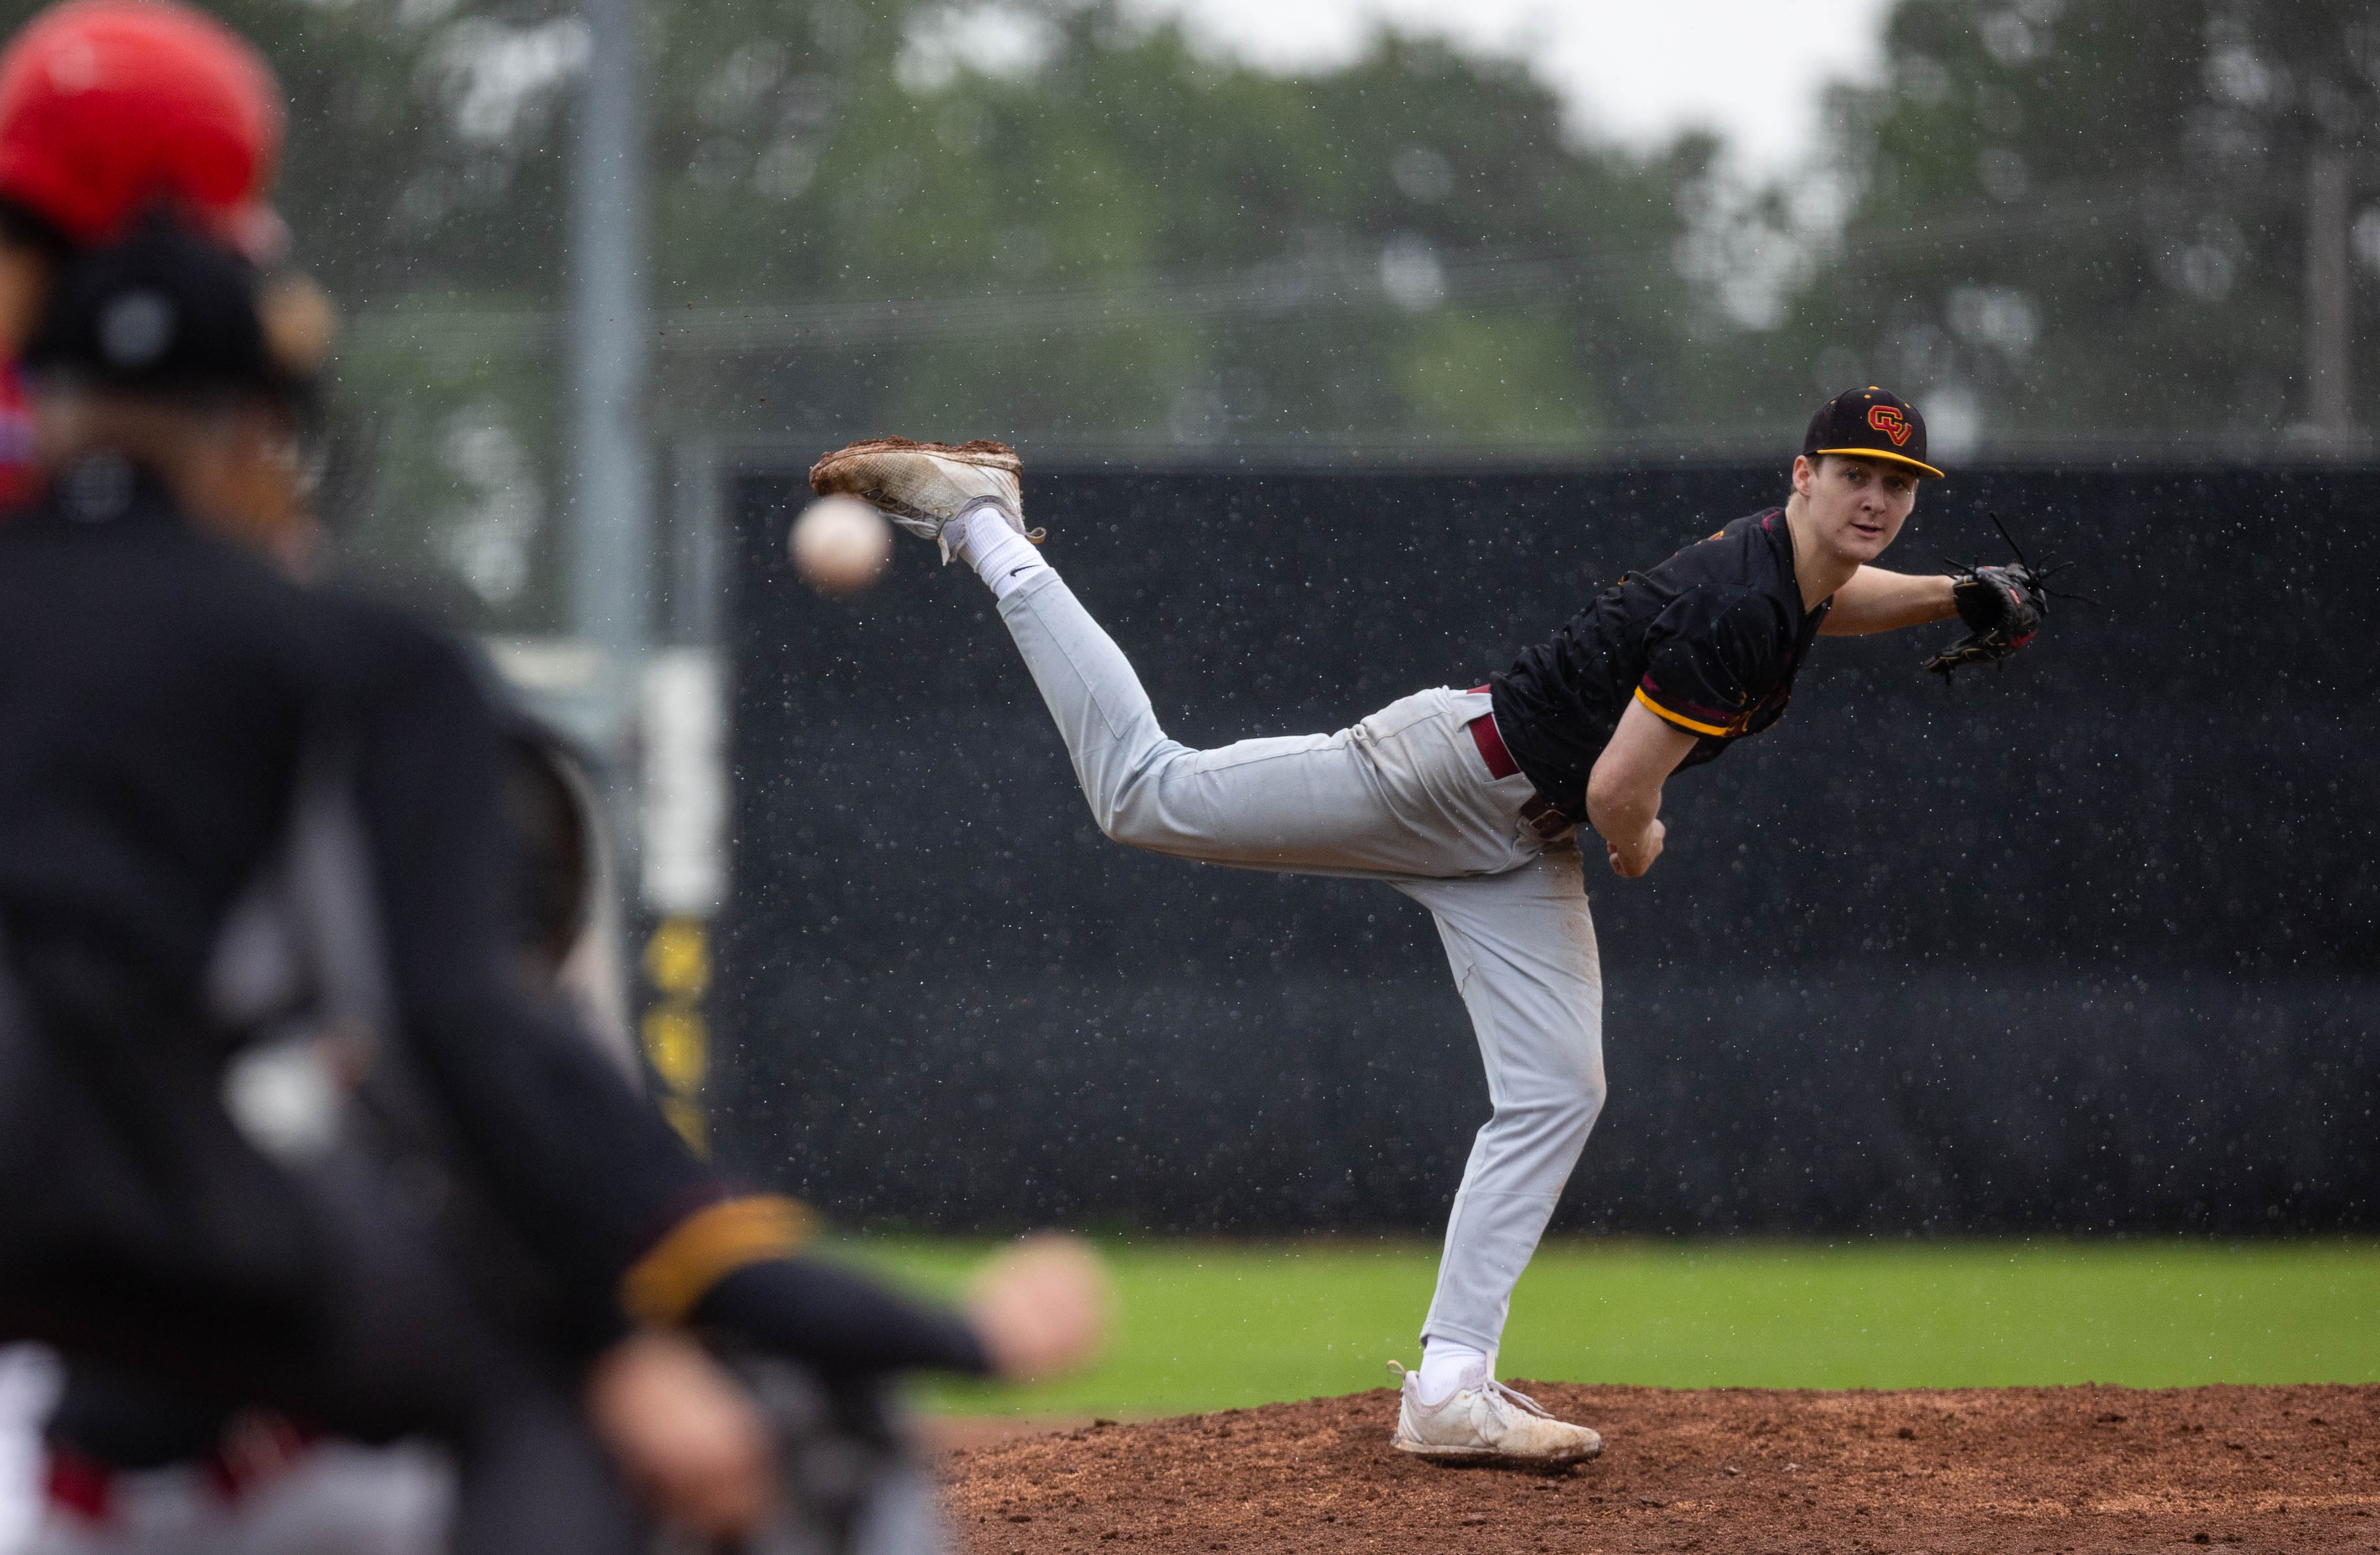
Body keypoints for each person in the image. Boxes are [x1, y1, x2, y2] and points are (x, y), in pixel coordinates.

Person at [0, 23, 1109, 1554]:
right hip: (163, 1285)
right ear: (256, 418)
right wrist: (762, 1313)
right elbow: (475, 1059)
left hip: (109, 1348)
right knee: (685, 1399)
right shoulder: (340, 658)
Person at [808, 393, 2050, 1463]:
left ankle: (1451, 1386)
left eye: (1897, 483)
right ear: (1804, 477)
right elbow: (1625, 790)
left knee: (1560, 1088)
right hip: (1448, 777)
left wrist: (1953, 598)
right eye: (1856, 476)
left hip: (1515, 842)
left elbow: (1833, 601)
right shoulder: (1741, 601)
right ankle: (984, 525)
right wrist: (1639, 844)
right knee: (1145, 791)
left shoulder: (1792, 571)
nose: (1876, 499)